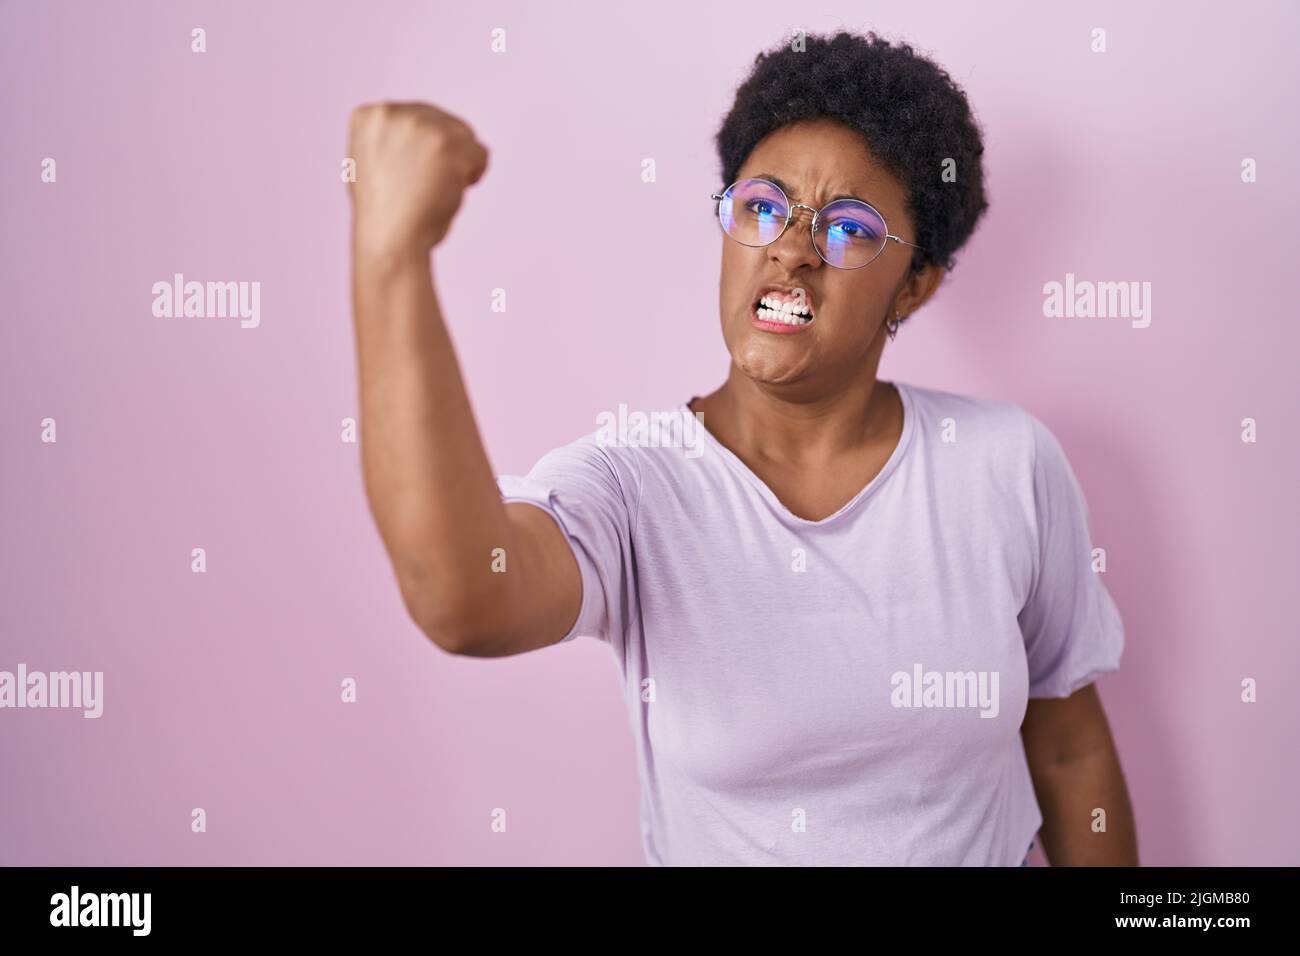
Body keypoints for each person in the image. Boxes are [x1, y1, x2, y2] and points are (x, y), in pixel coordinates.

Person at [346, 30, 1139, 867]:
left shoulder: (1006, 464)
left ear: (914, 283)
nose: (791, 247)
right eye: (761, 207)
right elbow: (464, 599)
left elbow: (1066, 749)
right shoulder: (630, 482)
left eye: (849, 228)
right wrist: (390, 257)